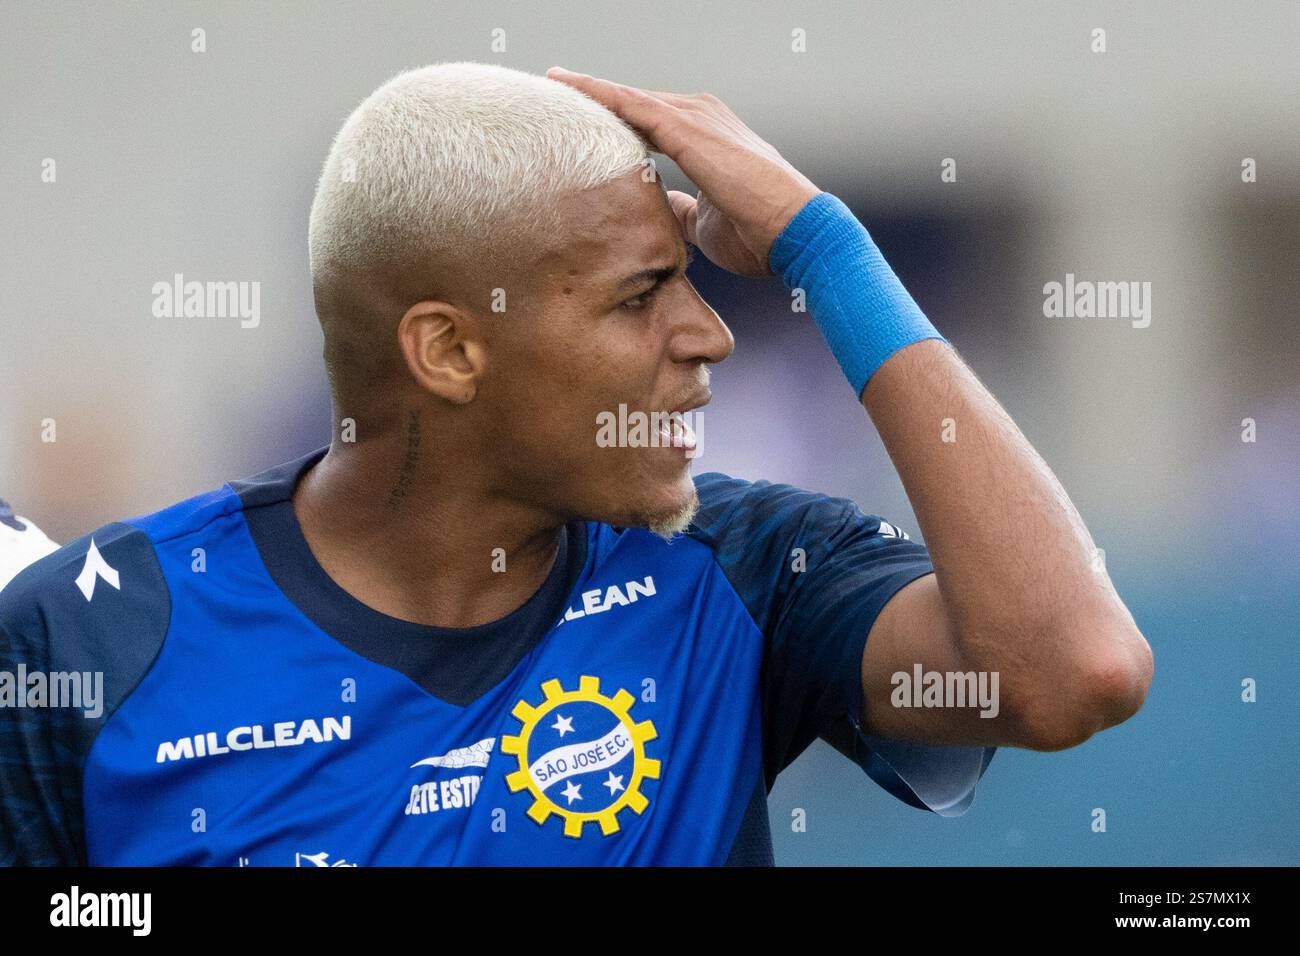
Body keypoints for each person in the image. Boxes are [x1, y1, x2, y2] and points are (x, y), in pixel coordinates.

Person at [0, 62, 1152, 866]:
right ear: (450, 347)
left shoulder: (744, 573)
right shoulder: (90, 640)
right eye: (642, 294)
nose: (709, 334)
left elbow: (1076, 669)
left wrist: (827, 249)